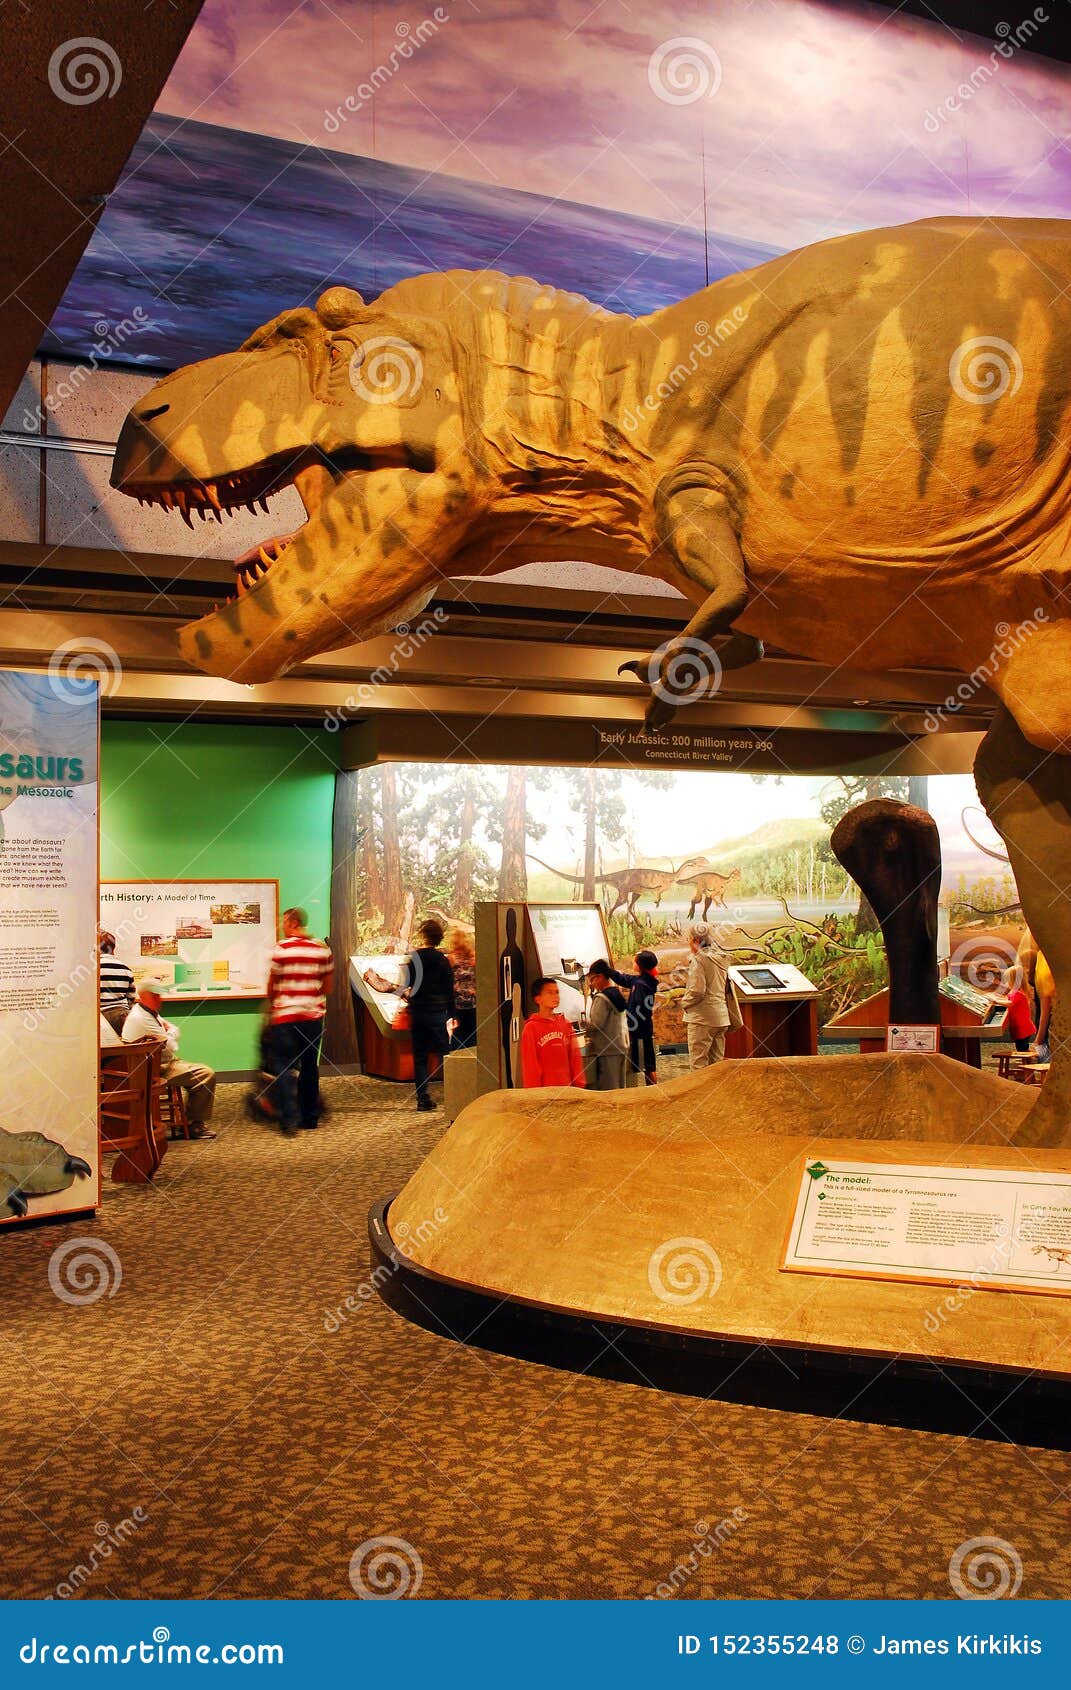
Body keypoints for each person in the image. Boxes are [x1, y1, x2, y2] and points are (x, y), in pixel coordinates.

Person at [265, 907, 334, 1137]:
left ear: (293, 923)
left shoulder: (281, 949)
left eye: (284, 923)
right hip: (312, 1018)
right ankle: (310, 1117)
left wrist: (273, 1007)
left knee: (283, 1066)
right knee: (309, 1066)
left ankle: (288, 1118)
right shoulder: (321, 950)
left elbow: (272, 985)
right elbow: (328, 986)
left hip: (285, 1017)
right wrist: (312, 999)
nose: (283, 928)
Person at [122, 977, 217, 1139]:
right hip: (155, 1068)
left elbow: (172, 1032)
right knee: (206, 1074)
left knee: (202, 1071)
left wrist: (170, 1032)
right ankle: (194, 1124)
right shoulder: (142, 1018)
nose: (160, 999)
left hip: (158, 1062)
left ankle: (192, 1121)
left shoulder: (146, 1012)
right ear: (144, 995)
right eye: (155, 996)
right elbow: (172, 1045)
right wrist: (170, 1032)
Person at [404, 918, 455, 1111]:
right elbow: (449, 990)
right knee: (445, 1055)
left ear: (423, 935)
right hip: (437, 1013)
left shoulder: (414, 958)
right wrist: (452, 1013)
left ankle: (422, 1098)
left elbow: (407, 984)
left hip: (418, 1012)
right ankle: (453, 1095)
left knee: (420, 1057)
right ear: (439, 938)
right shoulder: (442, 961)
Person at [520, 977, 586, 1088]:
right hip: (545, 1092)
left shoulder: (565, 1024)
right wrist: (534, 1094)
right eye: (550, 993)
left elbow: (575, 1057)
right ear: (538, 999)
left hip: (568, 1089)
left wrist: (579, 1084)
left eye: (557, 992)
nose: (555, 996)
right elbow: (530, 1065)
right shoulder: (531, 1028)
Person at [681, 924, 731, 1069]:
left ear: (696, 940)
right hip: (721, 1017)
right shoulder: (722, 958)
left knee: (699, 1065)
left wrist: (685, 1003)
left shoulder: (699, 959)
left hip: (702, 1019)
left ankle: (701, 1093)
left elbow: (697, 990)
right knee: (717, 1065)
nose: (688, 943)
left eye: (689, 939)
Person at [608, 949, 660, 1084]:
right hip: (644, 1030)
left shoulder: (641, 985)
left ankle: (654, 1093)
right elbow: (625, 979)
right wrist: (609, 971)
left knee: (646, 1065)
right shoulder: (643, 980)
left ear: (641, 965)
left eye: (635, 961)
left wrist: (631, 1028)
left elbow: (640, 1011)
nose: (633, 962)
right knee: (648, 1064)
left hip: (640, 1032)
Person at [585, 961, 628, 1090]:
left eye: (592, 979)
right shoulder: (617, 993)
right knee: (621, 1087)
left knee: (610, 1090)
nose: (592, 983)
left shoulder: (602, 998)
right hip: (621, 1046)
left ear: (601, 976)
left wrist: (584, 1026)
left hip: (607, 1050)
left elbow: (596, 1024)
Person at [98, 929, 134, 1035]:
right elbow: (131, 998)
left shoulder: (93, 968)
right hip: (122, 1015)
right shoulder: (125, 968)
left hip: (100, 1017)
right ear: (113, 947)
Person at [447, 927, 477, 1048]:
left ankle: (458, 1061)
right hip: (474, 1001)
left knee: (458, 1035)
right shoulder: (474, 958)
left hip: (458, 1002)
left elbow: (448, 981)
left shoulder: (451, 958)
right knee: (473, 1034)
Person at [999, 964, 1037, 1053]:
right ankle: (1028, 1058)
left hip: (1022, 1028)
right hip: (1021, 1027)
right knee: (1022, 1046)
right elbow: (1008, 999)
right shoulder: (1015, 993)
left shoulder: (1018, 994)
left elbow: (1009, 1003)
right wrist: (997, 998)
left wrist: (995, 1000)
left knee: (1022, 1048)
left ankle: (1028, 1061)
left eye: (1007, 980)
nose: (1006, 982)